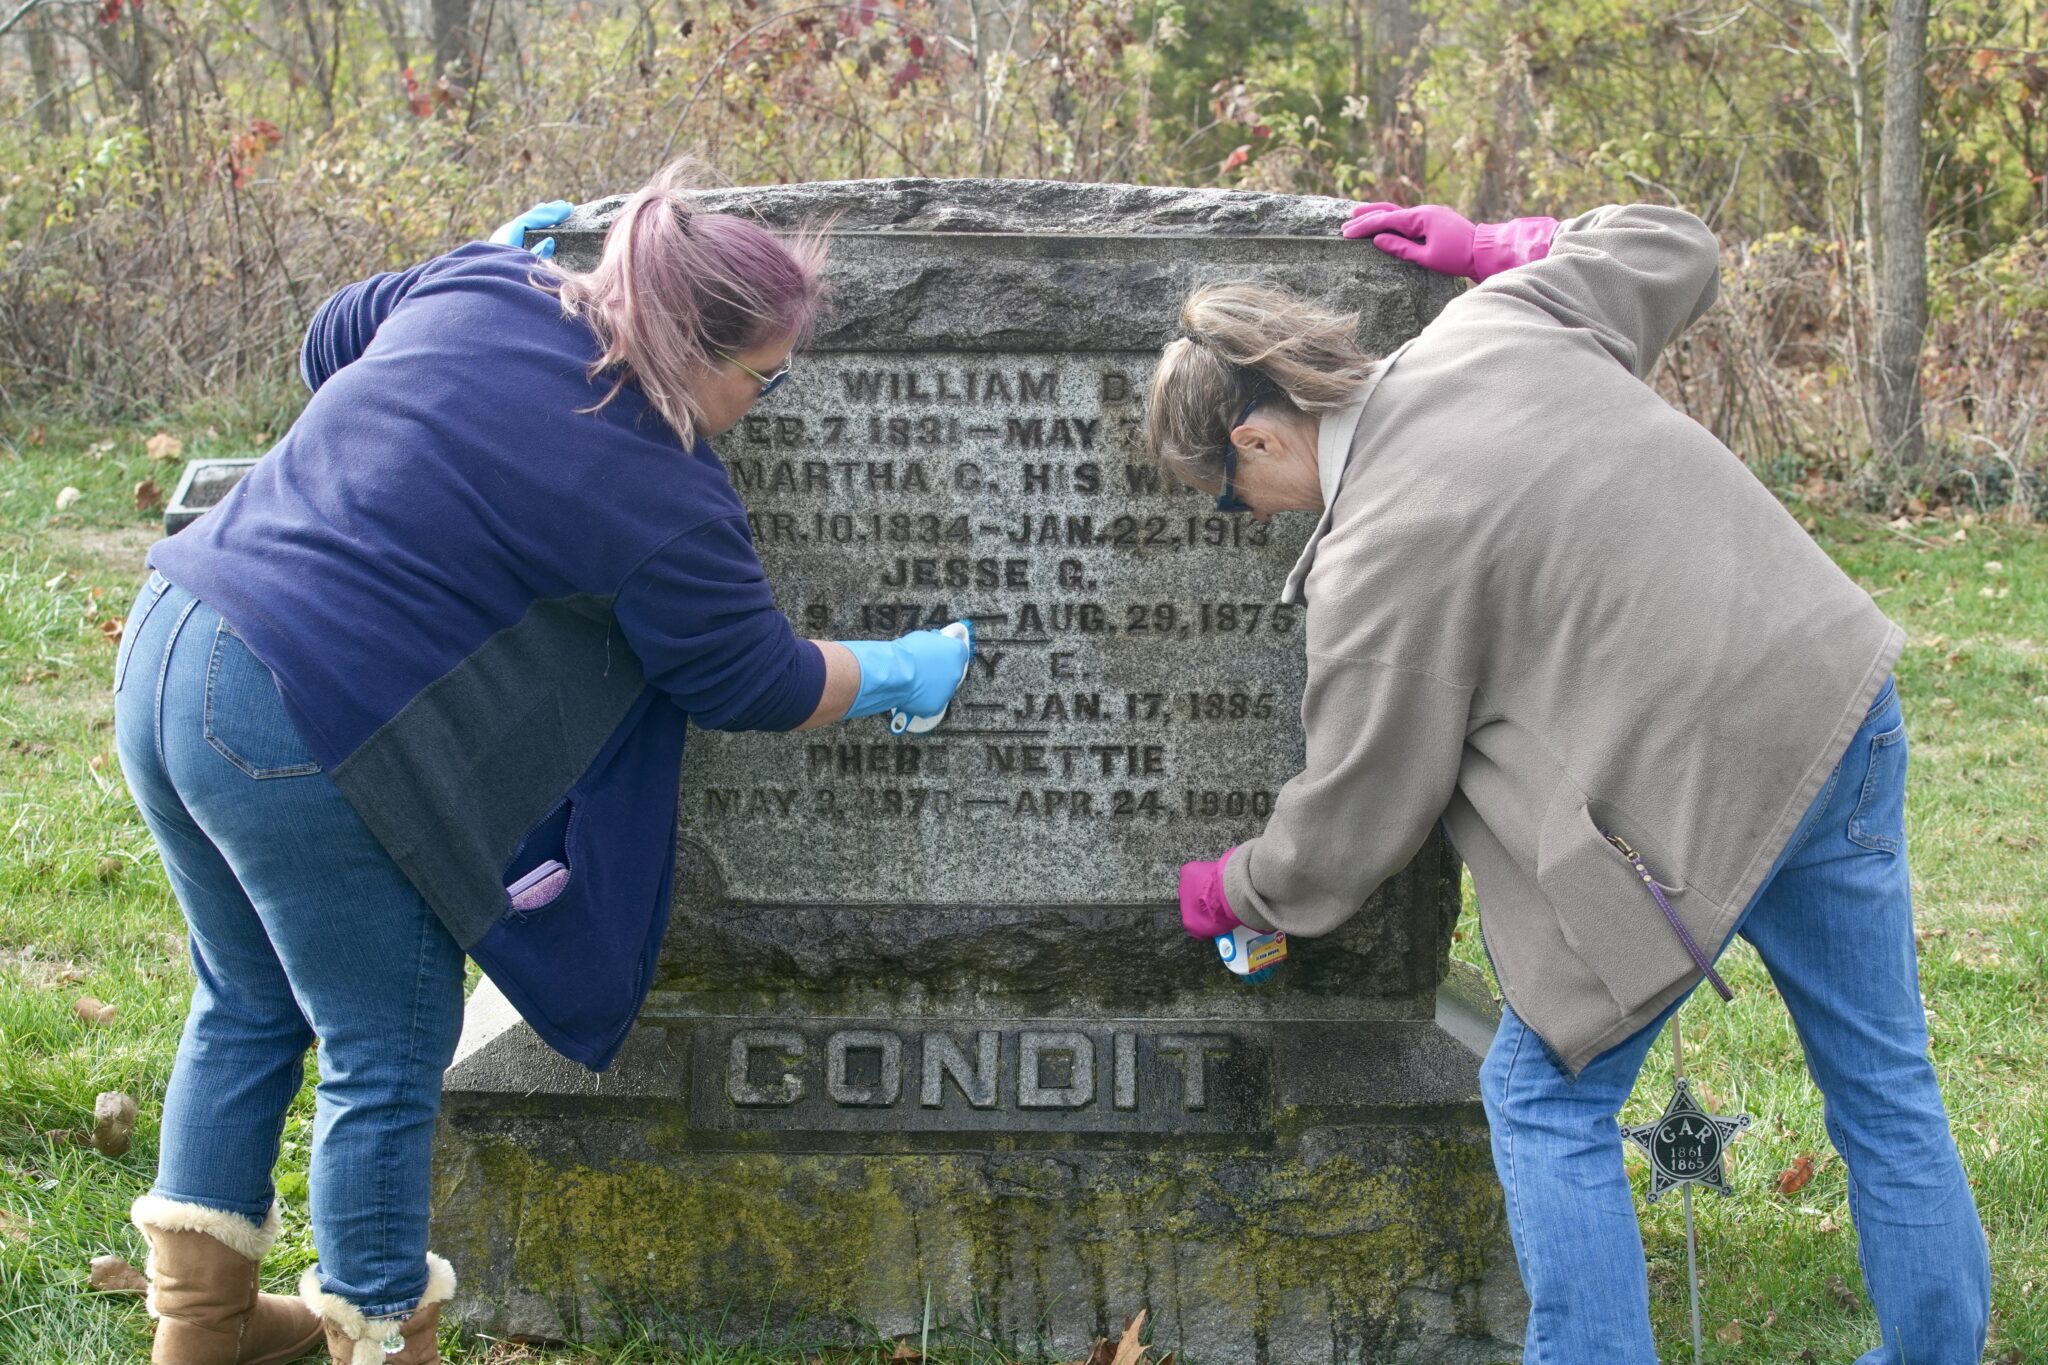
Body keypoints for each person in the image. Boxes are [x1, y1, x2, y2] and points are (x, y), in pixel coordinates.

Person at [111, 160, 971, 1365]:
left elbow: (327, 343)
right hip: (305, 726)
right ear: (690, 344)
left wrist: (471, 260)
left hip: (173, 644)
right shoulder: (660, 488)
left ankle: (202, 1332)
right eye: (761, 379)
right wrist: (894, 672)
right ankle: (377, 1342)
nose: (762, 403)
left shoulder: (490, 285)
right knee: (384, 1054)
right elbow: (751, 680)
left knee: (246, 1003)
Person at [1157, 202, 1988, 1363]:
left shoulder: (1372, 558)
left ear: (1256, 440)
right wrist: (1500, 245)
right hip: (1832, 701)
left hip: (1690, 808)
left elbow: (1354, 813)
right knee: (1884, 1087)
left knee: (1546, 1101)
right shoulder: (1496, 321)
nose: (1243, 519)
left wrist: (1237, 889)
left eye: (1224, 499)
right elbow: (1673, 246)